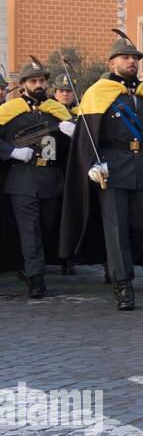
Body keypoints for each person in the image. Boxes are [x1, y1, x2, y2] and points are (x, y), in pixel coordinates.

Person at [60, 34, 143, 310]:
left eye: (135, 58)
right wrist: (91, 164)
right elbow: (87, 135)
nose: (132, 62)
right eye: (126, 57)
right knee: (116, 227)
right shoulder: (98, 91)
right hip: (111, 168)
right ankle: (123, 284)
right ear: (112, 61)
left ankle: (123, 260)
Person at [0, 61, 75, 297]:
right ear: (23, 85)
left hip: (51, 179)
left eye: (42, 80)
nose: (39, 85)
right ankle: (36, 279)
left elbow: (70, 148)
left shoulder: (57, 110)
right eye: (33, 81)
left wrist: (75, 134)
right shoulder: (10, 111)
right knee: (30, 231)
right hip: (23, 179)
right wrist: (11, 152)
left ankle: (31, 267)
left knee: (45, 228)